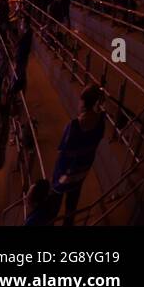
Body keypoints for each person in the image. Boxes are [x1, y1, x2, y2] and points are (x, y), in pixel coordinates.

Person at [51, 85, 105, 226]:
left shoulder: (74, 125)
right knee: (72, 204)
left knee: (55, 200)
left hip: (65, 172)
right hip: (83, 170)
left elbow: (62, 150)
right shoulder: (100, 122)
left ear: (83, 102)